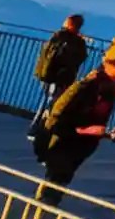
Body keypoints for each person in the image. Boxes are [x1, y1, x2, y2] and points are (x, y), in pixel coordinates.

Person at [35, 29, 115, 219]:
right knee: (55, 182)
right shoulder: (87, 87)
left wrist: (103, 134)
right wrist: (88, 130)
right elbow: (56, 122)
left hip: (80, 146)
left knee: (59, 180)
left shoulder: (107, 87)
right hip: (65, 144)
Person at [30, 15, 90, 156]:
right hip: (59, 77)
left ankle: (36, 128)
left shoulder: (58, 36)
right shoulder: (72, 41)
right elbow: (75, 57)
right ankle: (40, 130)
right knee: (51, 104)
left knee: (47, 102)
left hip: (50, 76)